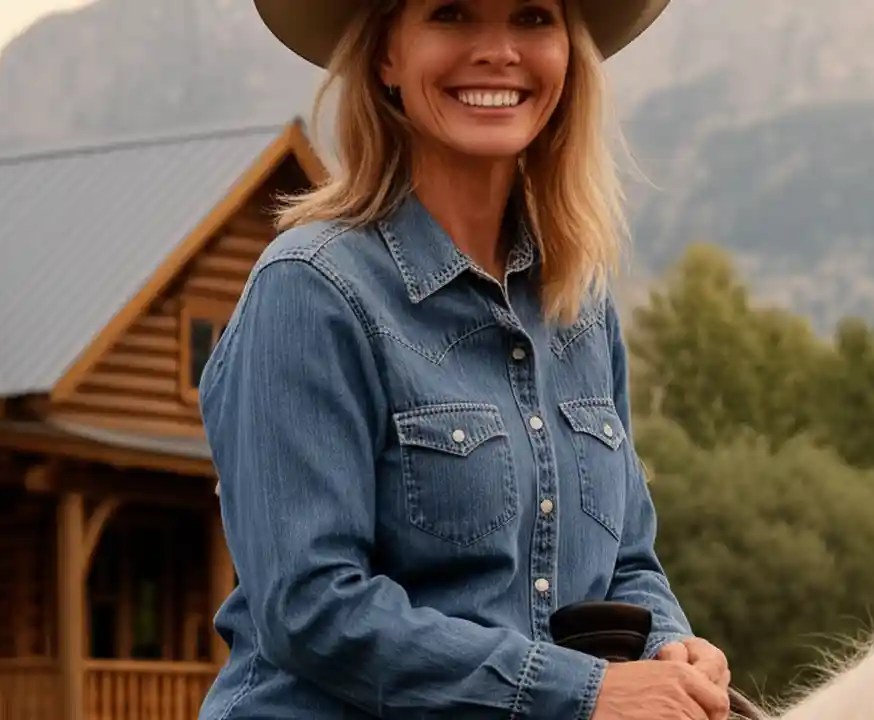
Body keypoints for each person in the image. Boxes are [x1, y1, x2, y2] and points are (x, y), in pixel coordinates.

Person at [197, 0, 731, 717]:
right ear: (386, 56)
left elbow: (628, 562)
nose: (498, 51)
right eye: (451, 13)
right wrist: (581, 694)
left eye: (532, 17)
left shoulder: (580, 305)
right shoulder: (310, 288)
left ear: (568, 59)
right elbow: (312, 606)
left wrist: (670, 647)